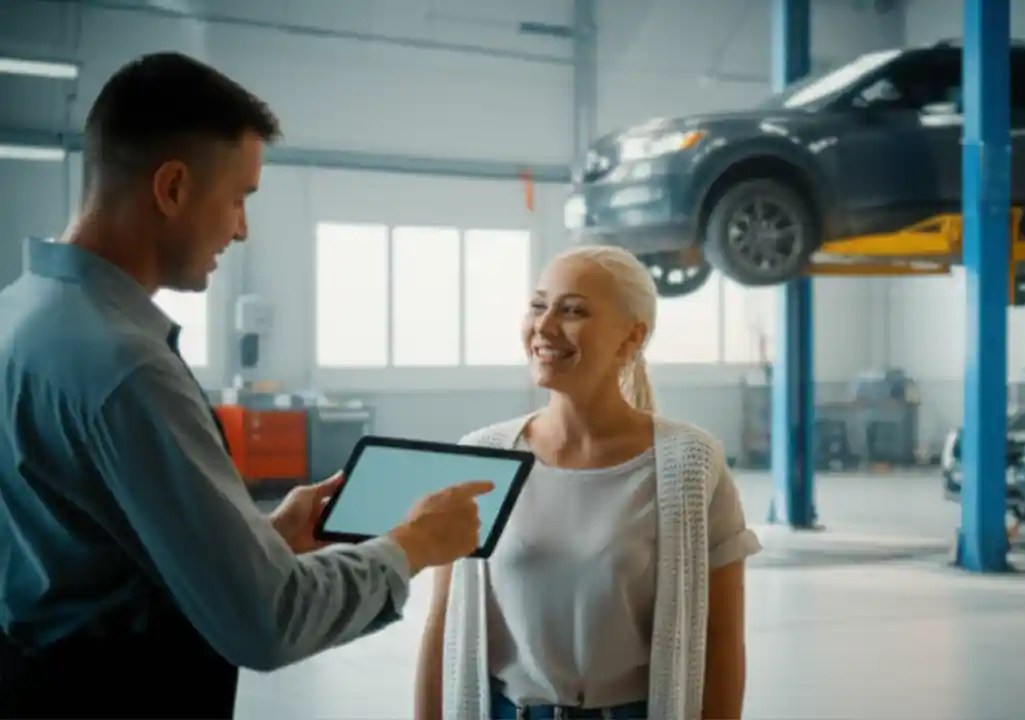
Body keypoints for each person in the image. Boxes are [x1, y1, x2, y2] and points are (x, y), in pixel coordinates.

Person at [0, 52, 492, 720]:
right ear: (173, 187)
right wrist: (414, 545)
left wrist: (265, 538)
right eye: (238, 199)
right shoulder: (129, 367)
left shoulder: (21, 312)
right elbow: (269, 619)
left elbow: (88, 548)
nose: (241, 229)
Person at [415, 245, 763, 720]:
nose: (544, 325)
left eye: (573, 310)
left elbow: (721, 639)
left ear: (631, 337)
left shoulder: (691, 464)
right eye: (538, 305)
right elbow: (443, 628)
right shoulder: (482, 455)